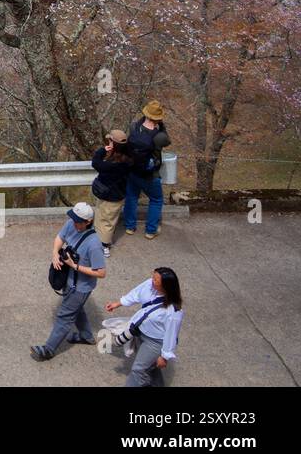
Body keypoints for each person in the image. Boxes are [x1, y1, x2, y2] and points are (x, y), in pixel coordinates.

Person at [30, 202, 107, 361]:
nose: (74, 223)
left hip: (80, 287)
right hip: (69, 280)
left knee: (65, 317)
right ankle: (86, 336)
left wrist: (75, 265)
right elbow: (60, 237)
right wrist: (55, 253)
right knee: (76, 309)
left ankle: (48, 350)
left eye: (79, 221)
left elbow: (101, 272)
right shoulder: (72, 223)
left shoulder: (94, 244)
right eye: (73, 219)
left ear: (88, 222)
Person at [106, 267, 185, 387]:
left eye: (156, 280)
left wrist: (165, 356)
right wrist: (119, 303)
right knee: (150, 367)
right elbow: (136, 293)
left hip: (155, 342)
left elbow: (171, 335)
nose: (152, 280)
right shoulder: (150, 284)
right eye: (153, 277)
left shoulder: (174, 311)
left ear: (166, 286)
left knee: (138, 370)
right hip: (141, 333)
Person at [124, 100, 171, 239]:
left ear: (145, 114)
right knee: (156, 199)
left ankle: (129, 227)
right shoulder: (160, 136)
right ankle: (151, 230)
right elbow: (168, 141)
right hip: (150, 175)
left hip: (132, 171)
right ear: (159, 118)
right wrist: (162, 126)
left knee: (131, 197)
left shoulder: (133, 127)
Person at [91, 129, 132, 257]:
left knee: (106, 221)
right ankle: (99, 238)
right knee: (106, 218)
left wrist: (102, 150)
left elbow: (96, 163)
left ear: (113, 144)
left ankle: (104, 245)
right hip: (118, 195)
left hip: (107, 195)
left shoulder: (112, 164)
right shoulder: (128, 160)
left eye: (110, 140)